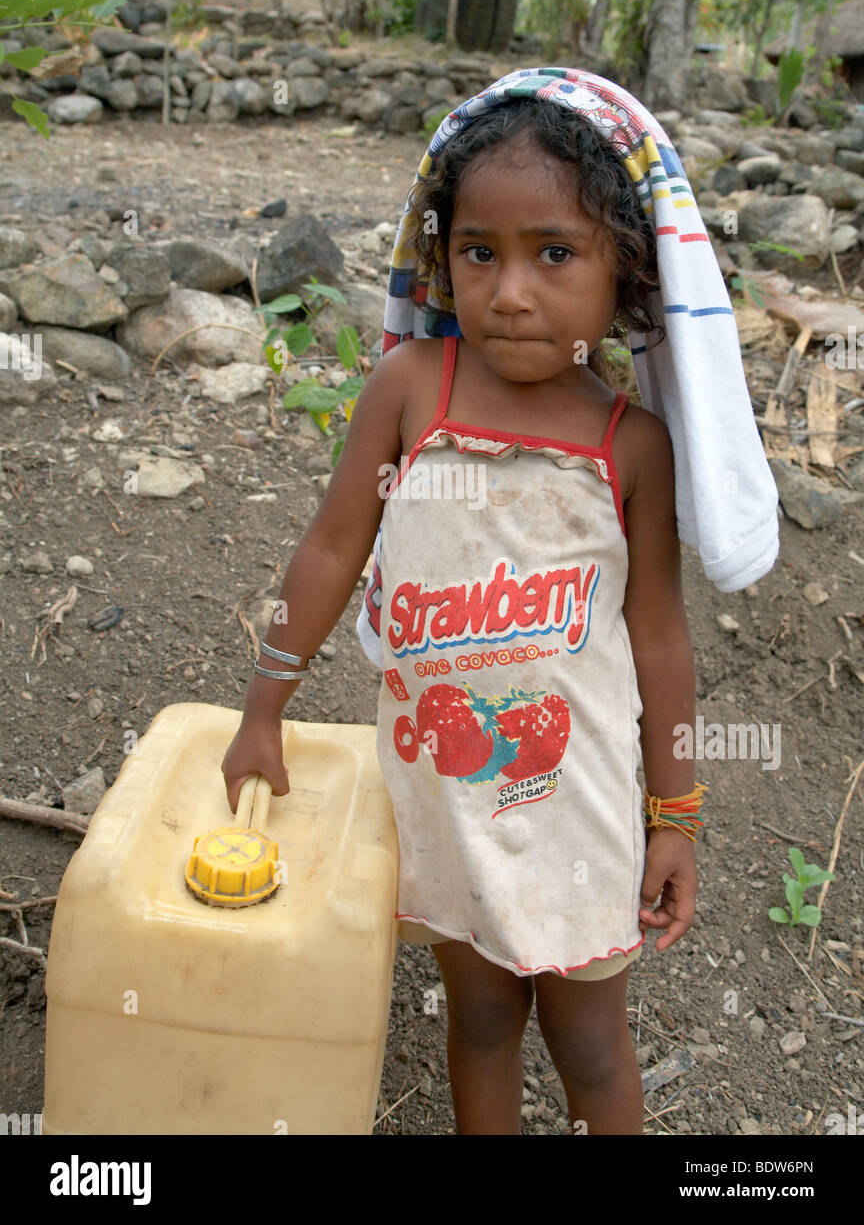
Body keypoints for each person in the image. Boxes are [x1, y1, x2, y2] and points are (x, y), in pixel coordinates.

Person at [221, 67, 777, 1136]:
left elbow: (658, 637)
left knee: (589, 1040)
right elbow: (334, 545)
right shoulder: (409, 391)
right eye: (480, 252)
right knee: (477, 1019)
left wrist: (679, 816)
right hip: (447, 800)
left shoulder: (631, 444)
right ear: (443, 256)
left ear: (626, 274)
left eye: (554, 254)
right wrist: (262, 707)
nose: (510, 290)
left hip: (579, 810)